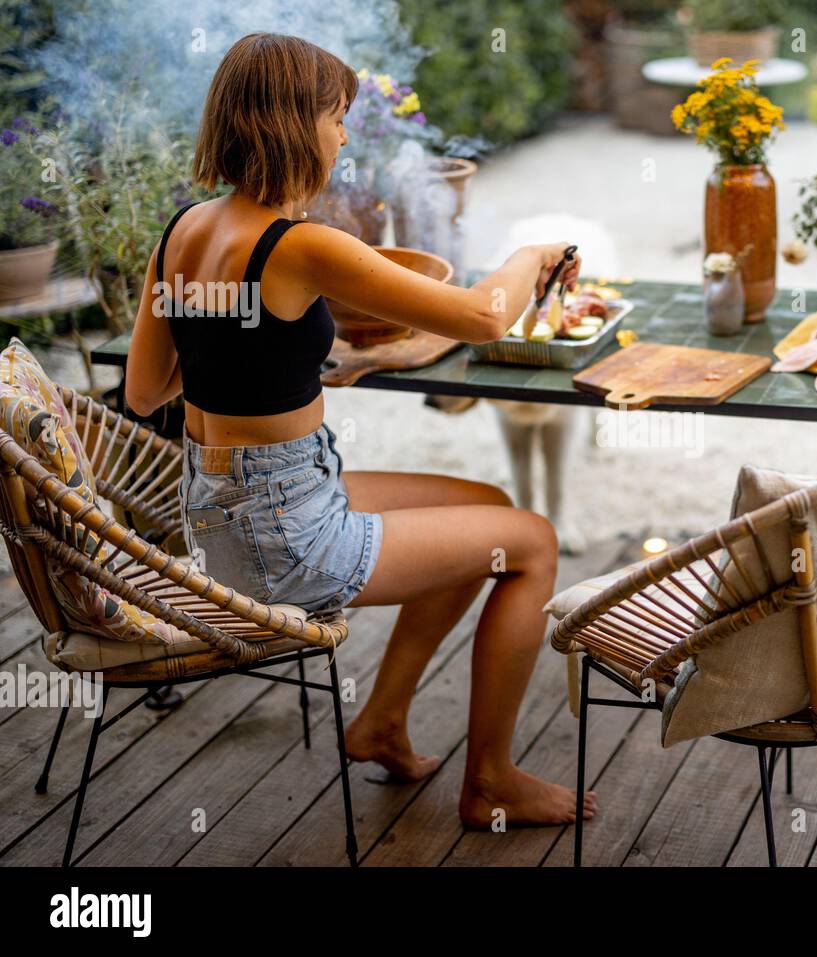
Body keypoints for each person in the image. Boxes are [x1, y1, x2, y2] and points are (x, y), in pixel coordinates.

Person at [125, 32, 595, 828]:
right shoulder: (297, 245)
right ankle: (493, 781)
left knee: (481, 502)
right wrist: (530, 253)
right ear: (292, 123)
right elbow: (483, 316)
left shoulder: (185, 229)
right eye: (336, 116)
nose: (344, 135)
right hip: (286, 536)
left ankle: (380, 721)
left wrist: (269, 361)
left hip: (215, 516)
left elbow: (145, 392)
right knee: (534, 541)